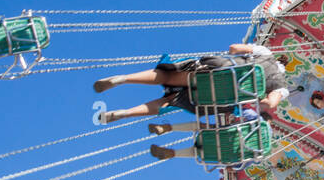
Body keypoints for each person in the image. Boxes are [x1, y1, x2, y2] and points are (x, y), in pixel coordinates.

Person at [92, 43, 290, 123]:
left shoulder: (265, 53)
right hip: (220, 97)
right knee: (170, 101)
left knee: (168, 76)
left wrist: (235, 55)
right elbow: (271, 104)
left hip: (220, 69)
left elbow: (234, 47)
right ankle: (125, 113)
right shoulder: (280, 86)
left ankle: (124, 79)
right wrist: (253, 103)